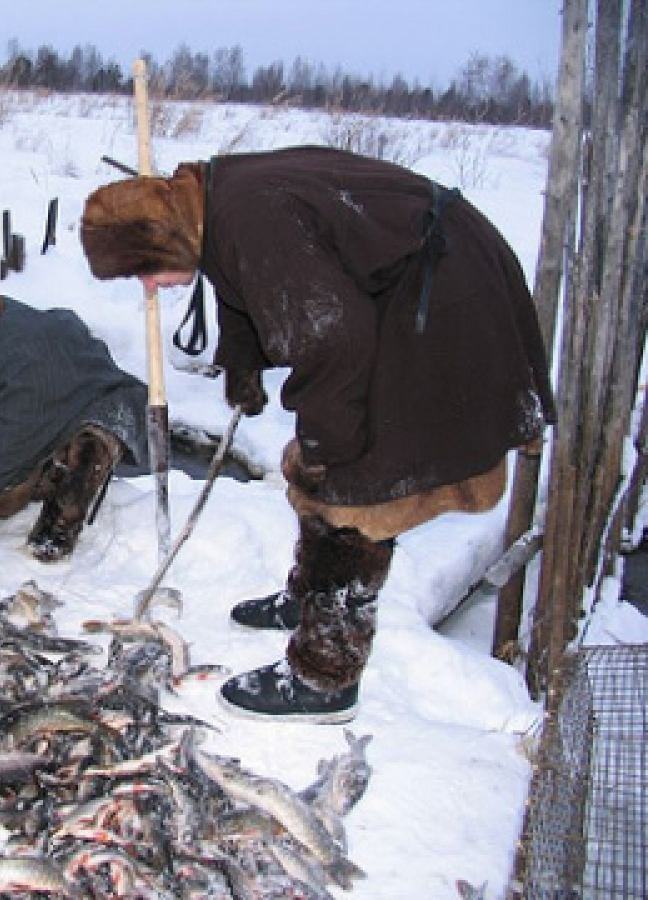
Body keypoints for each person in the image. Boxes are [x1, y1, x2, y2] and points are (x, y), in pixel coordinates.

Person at [80, 146, 556, 723]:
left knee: (359, 485)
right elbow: (243, 283)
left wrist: (329, 448)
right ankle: (311, 596)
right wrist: (244, 363)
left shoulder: (252, 221)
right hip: (408, 282)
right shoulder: (211, 204)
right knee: (330, 459)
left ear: (162, 242)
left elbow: (333, 339)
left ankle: (323, 674)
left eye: (142, 272)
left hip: (441, 298)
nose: (149, 289)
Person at [0, 271, 149, 562]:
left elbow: (4, 445)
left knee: (90, 446)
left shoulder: (27, 366)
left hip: (93, 402)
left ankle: (56, 529)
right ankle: (44, 472)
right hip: (37, 409)